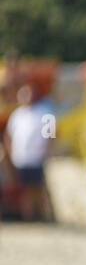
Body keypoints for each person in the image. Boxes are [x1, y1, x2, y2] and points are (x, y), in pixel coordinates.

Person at [3, 84, 54, 221]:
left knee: (39, 189)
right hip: (21, 158)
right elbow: (9, 136)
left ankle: (43, 216)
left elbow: (50, 134)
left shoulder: (44, 112)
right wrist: (12, 152)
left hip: (37, 157)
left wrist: (47, 151)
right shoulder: (17, 115)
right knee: (25, 190)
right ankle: (29, 218)